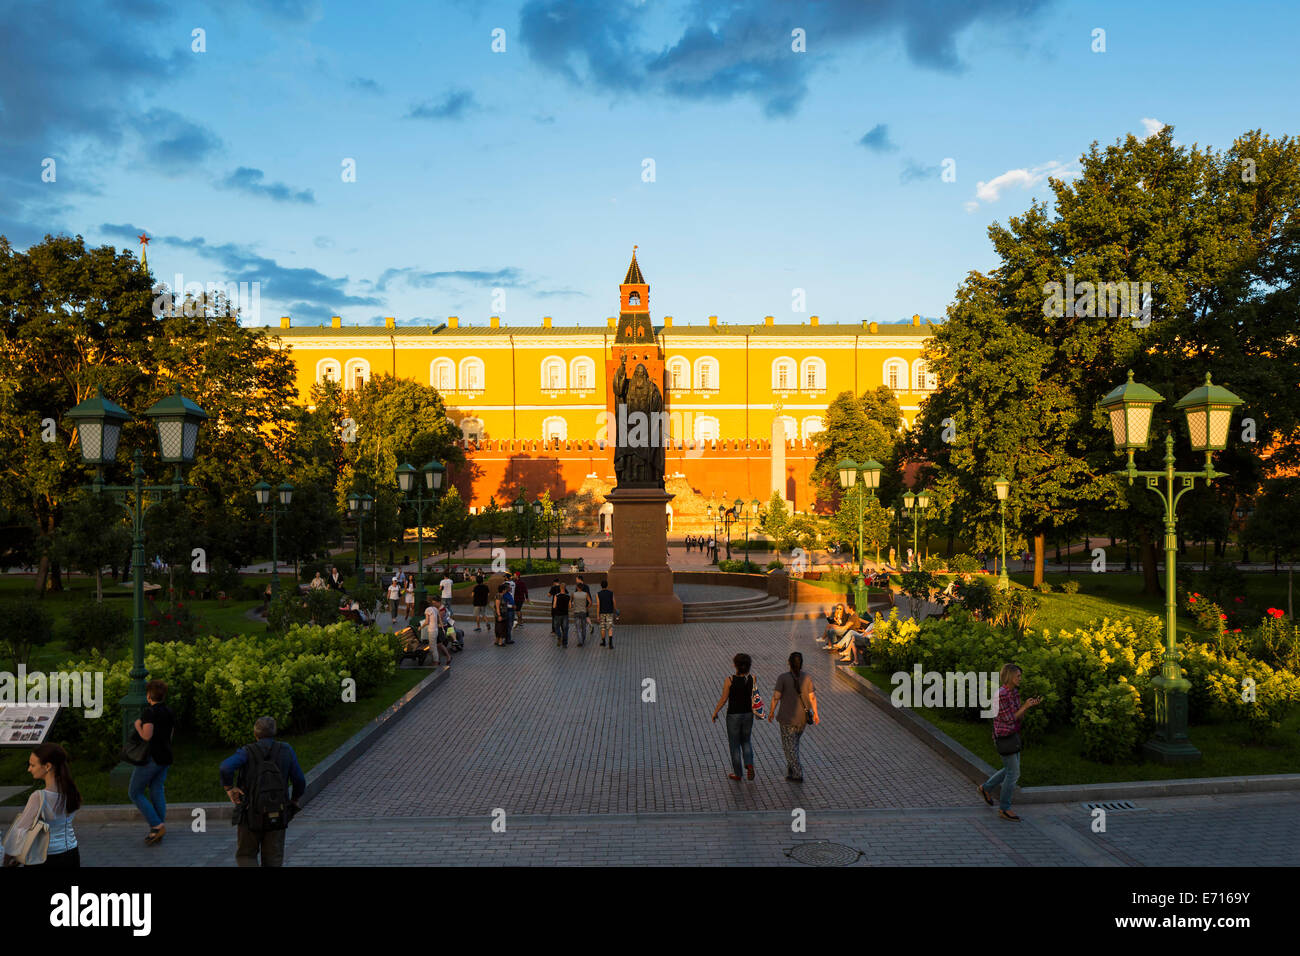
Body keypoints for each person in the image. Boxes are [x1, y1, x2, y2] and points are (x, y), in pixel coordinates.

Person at [220, 716, 306, 866]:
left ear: (255, 734)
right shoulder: (286, 750)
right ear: (275, 732)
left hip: (250, 812)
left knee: (246, 855)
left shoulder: (246, 752)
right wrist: (293, 800)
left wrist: (229, 788)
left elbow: (225, 767)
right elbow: (299, 781)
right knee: (274, 857)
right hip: (277, 812)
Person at [978, 664, 1042, 822]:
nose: (1020, 678)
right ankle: (1004, 808)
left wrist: (1027, 706)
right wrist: (1025, 706)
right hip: (1004, 737)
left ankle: (986, 788)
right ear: (1009, 676)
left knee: (1010, 770)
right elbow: (1008, 718)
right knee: (1014, 772)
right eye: (1018, 676)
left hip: (1013, 735)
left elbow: (1018, 716)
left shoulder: (1014, 693)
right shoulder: (1001, 695)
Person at [2, 743, 81, 867]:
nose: (29, 769)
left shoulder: (39, 796)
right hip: (71, 853)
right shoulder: (71, 791)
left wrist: (7, 860)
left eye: (33, 765)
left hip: (43, 857)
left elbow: (20, 831)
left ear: (47, 766)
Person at [127, 679, 175, 846]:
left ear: (149, 696)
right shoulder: (169, 711)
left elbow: (147, 736)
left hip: (152, 757)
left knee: (134, 792)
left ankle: (156, 825)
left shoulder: (149, 712)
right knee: (157, 789)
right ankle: (158, 829)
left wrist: (138, 725)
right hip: (166, 756)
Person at [768, 652, 818, 782]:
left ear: (788, 663)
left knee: (789, 747)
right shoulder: (807, 677)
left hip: (787, 719)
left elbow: (776, 697)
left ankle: (797, 773)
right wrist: (816, 714)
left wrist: (771, 712)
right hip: (803, 719)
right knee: (794, 744)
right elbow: (812, 697)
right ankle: (791, 769)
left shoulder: (783, 678)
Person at [711, 653, 758, 781]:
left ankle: (738, 774)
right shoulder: (752, 678)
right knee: (746, 741)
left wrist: (716, 712)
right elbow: (754, 697)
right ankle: (749, 764)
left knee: (734, 744)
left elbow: (724, 698)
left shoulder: (730, 680)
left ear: (735, 665)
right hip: (748, 714)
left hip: (733, 715)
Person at [425, 604, 452, 668]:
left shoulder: (439, 609)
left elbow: (439, 619)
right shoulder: (436, 609)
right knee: (439, 644)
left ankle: (437, 661)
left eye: (435, 602)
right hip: (437, 629)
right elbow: (439, 619)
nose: (434, 603)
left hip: (436, 629)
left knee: (437, 645)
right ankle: (442, 658)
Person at [597, 579, 617, 648]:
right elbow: (614, 602)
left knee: (603, 628)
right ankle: (610, 644)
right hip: (609, 612)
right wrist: (615, 610)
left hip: (602, 613)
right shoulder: (611, 593)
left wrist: (598, 615)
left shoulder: (598, 594)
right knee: (610, 627)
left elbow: (598, 605)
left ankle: (603, 642)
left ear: (601, 586)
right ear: (607, 585)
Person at [571, 576, 592, 646]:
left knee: (578, 627)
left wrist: (572, 607)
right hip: (583, 611)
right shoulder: (585, 594)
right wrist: (587, 607)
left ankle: (580, 641)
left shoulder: (574, 594)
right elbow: (590, 602)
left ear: (577, 588)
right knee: (583, 627)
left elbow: (570, 602)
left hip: (576, 612)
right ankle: (583, 639)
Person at [552, 582, 571, 647]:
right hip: (565, 614)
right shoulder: (568, 596)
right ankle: (565, 643)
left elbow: (554, 606)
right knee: (565, 629)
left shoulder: (556, 596)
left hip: (557, 614)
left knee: (556, 627)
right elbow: (570, 606)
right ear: (565, 588)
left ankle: (559, 637)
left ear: (560, 588)